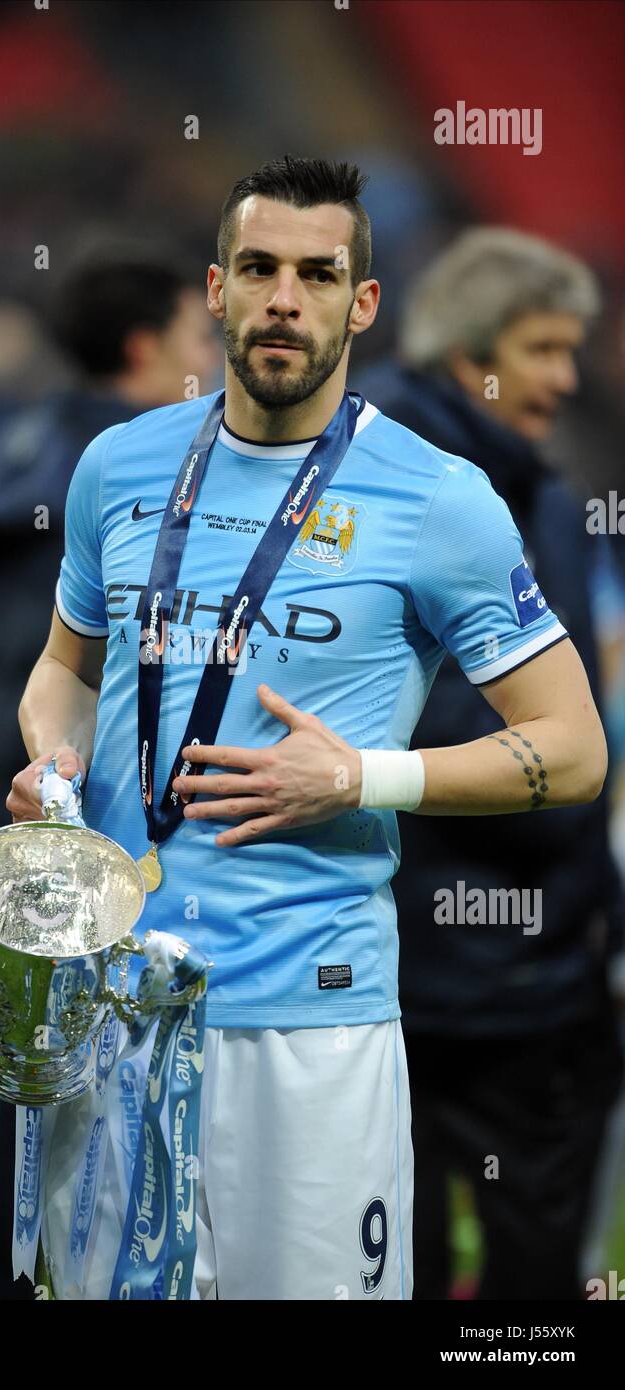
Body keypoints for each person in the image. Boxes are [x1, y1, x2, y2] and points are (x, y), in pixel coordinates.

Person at [6, 157, 609, 1301]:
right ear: (218, 290)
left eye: (319, 273)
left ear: (361, 304)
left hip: (312, 1023)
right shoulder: (117, 469)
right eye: (260, 268)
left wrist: (365, 775)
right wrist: (55, 761)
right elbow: (61, 669)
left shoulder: (439, 498)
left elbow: (575, 746)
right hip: (114, 1008)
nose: (286, 298)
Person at [0, 253, 218, 1299]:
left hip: (7, 795)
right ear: (144, 348)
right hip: (56, 815)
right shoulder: (112, 476)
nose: (213, 368)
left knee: (26, 1080)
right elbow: (65, 668)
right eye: (200, 342)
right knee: (47, 1088)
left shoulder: (8, 448)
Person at [356, 229, 625, 1300]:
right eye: (545, 348)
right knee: (428, 1277)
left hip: (530, 967)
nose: (568, 377)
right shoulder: (389, 489)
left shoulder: (545, 494)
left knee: (516, 1279)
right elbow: (515, 743)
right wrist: (559, 793)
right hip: (424, 965)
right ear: (472, 352)